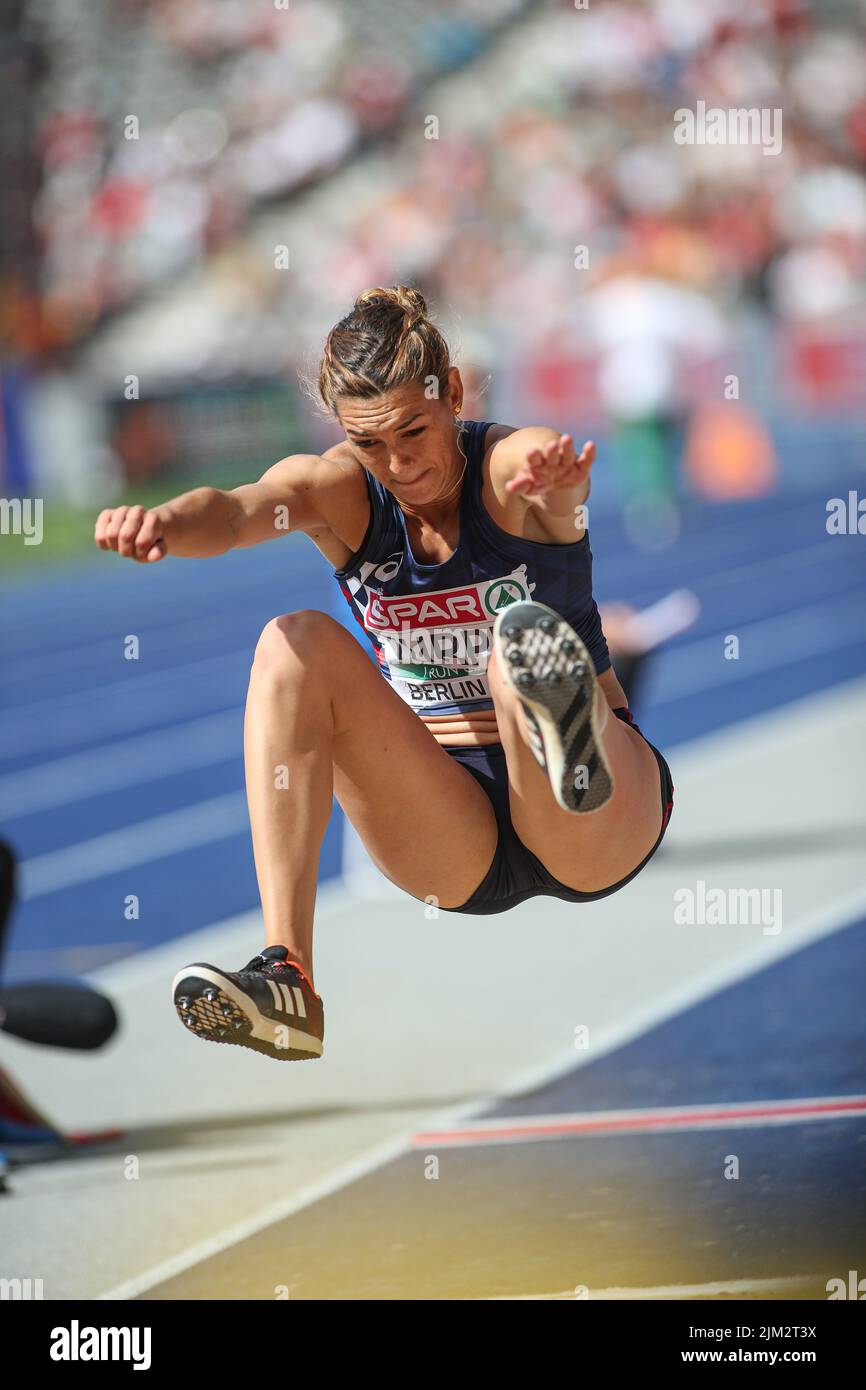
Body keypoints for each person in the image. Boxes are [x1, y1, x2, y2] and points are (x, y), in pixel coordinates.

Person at [94, 286, 674, 1063]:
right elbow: (234, 513)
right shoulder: (341, 495)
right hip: (451, 831)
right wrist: (163, 523)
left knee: (514, 662)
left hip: (599, 821)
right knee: (289, 643)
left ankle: (566, 741)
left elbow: (563, 488)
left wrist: (560, 490)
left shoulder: (512, 467)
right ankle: (286, 977)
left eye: (415, 431)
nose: (399, 464)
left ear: (454, 395)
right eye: (370, 444)